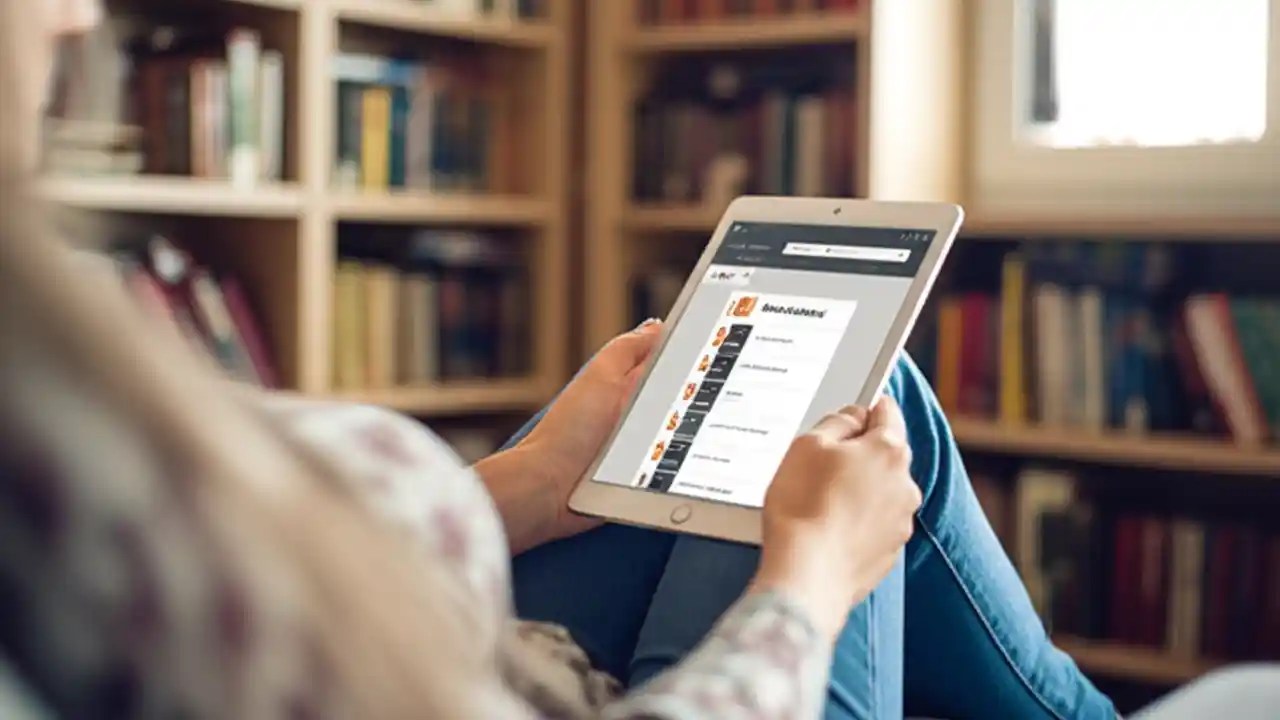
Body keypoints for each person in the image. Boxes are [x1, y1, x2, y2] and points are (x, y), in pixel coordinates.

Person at [4, 2, 1274, 718]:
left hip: (477, 638)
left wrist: (530, 483)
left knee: (811, 409)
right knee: (851, 407)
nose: (72, 10)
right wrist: (808, 584)